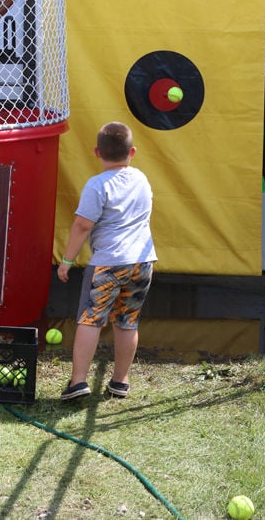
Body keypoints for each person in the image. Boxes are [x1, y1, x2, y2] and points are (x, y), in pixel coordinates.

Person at [57, 121, 156, 400]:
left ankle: (78, 382)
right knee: (127, 321)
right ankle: (120, 381)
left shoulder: (97, 185)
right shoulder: (141, 179)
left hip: (107, 263)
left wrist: (66, 261)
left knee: (90, 320)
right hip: (142, 262)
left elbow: (82, 225)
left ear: (97, 152)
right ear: (132, 151)